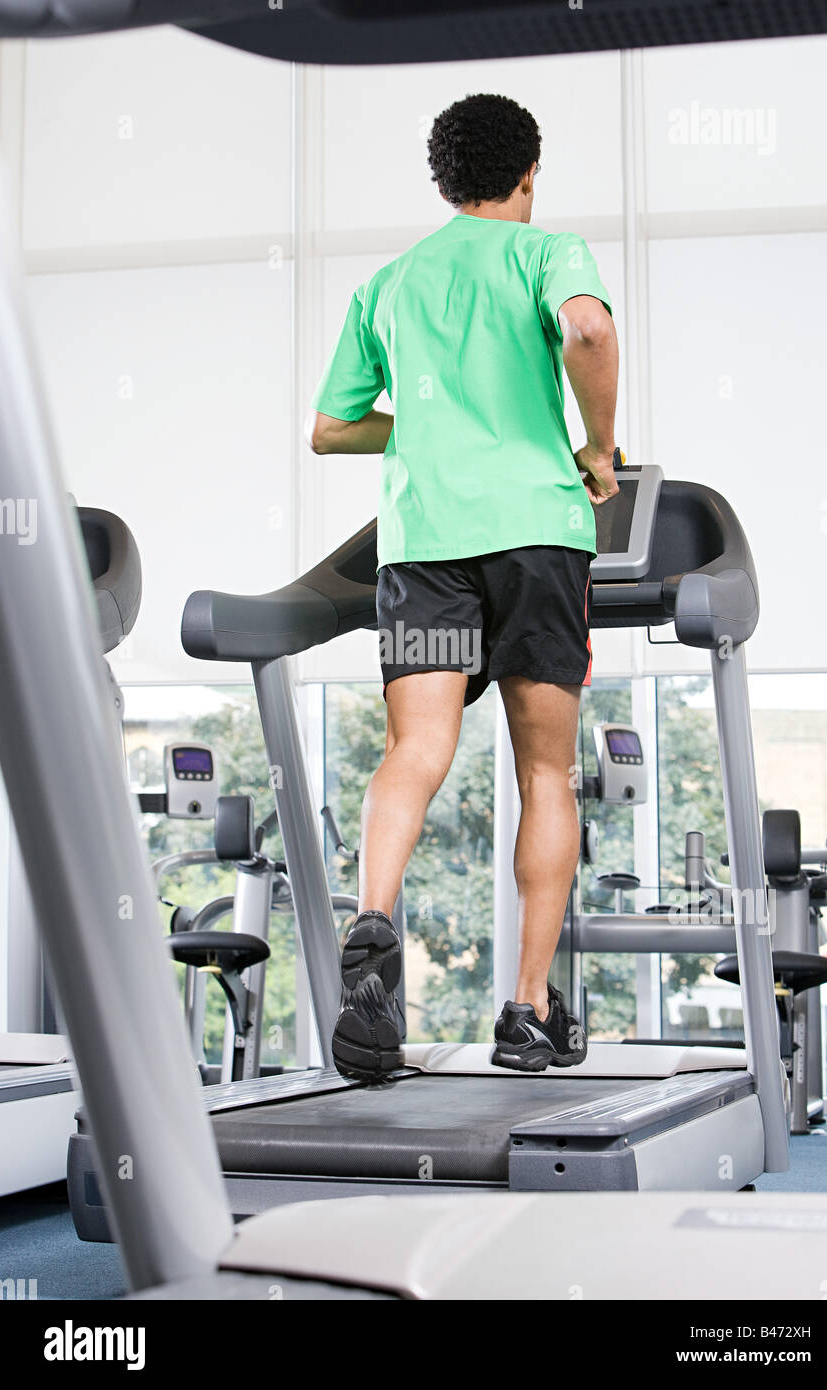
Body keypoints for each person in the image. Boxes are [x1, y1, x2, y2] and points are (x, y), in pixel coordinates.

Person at [306, 93, 619, 1081]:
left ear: (442, 183)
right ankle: (526, 1010)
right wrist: (599, 448)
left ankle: (374, 917)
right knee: (543, 773)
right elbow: (589, 333)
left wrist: (429, 430)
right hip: (535, 534)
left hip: (426, 544)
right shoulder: (546, 250)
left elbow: (330, 428)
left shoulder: (390, 284)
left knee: (417, 747)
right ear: (530, 174)